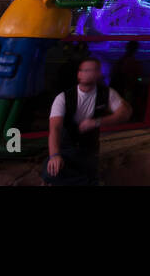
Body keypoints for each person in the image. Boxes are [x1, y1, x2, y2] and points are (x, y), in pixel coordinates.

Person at [43, 56, 131, 185]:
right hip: (66, 148)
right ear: (78, 74)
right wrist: (55, 155)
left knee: (84, 170)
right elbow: (55, 128)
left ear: (98, 73)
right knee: (49, 173)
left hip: (88, 149)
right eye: (83, 70)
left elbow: (125, 112)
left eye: (90, 70)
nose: (85, 73)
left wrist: (97, 122)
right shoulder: (63, 98)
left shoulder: (106, 93)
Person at [110, 40, 144, 106]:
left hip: (121, 88)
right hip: (125, 89)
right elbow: (136, 77)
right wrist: (138, 80)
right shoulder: (131, 62)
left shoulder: (121, 61)